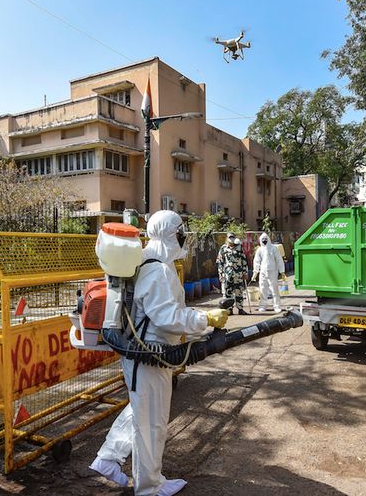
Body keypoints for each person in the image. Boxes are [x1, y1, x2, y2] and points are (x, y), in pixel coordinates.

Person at [89, 210, 229, 496]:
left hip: (139, 352)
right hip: (150, 353)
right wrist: (206, 319)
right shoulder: (158, 269)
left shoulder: (144, 259)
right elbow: (167, 316)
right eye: (180, 232)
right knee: (152, 422)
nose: (182, 237)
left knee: (140, 410)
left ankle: (107, 458)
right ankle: (149, 487)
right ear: (168, 233)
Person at [251, 232, 285, 313]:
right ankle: (262, 306)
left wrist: (282, 272)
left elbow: (279, 260)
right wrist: (255, 272)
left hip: (273, 272)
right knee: (263, 289)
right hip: (263, 272)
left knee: (274, 289)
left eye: (265, 239)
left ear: (268, 239)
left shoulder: (273, 248)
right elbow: (256, 261)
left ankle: (277, 306)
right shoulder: (259, 250)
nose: (264, 241)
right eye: (263, 240)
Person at [216, 232, 249, 315]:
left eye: (232, 237)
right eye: (230, 237)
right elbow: (220, 262)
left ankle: (240, 308)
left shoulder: (239, 247)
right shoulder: (223, 248)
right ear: (227, 238)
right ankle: (229, 309)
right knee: (228, 292)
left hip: (238, 274)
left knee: (239, 292)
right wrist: (220, 274)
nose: (231, 239)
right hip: (227, 274)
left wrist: (245, 272)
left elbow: (244, 261)